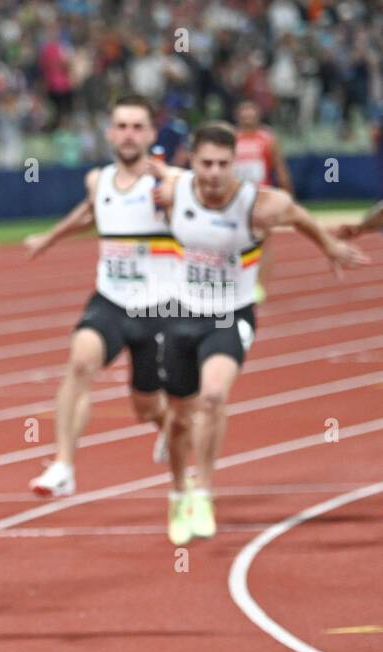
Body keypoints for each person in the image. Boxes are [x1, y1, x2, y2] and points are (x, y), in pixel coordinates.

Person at [151, 122, 368, 544]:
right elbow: (144, 169)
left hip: (232, 313)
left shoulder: (260, 204)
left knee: (213, 396)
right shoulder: (175, 188)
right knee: (178, 417)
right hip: (181, 312)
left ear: (235, 163)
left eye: (222, 164)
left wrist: (329, 247)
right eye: (205, 163)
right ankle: (178, 494)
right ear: (191, 162)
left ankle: (204, 493)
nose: (214, 172)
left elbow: (298, 215)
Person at [25, 95, 176, 498]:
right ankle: (63, 466)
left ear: (150, 134)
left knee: (145, 406)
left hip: (158, 308)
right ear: (110, 133)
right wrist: (49, 238)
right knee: (80, 361)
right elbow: (89, 213)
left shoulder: (169, 184)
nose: (128, 134)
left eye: (137, 127)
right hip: (110, 298)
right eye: (121, 126)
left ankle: (166, 426)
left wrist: (174, 191)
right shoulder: (99, 180)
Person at [234, 99, 294, 302]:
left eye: (251, 111)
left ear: (258, 115)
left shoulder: (267, 139)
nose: (248, 116)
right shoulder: (231, 138)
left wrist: (287, 196)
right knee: (236, 241)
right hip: (236, 198)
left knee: (264, 242)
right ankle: (238, 282)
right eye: (244, 111)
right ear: (238, 115)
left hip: (262, 198)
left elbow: (279, 168)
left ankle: (259, 285)